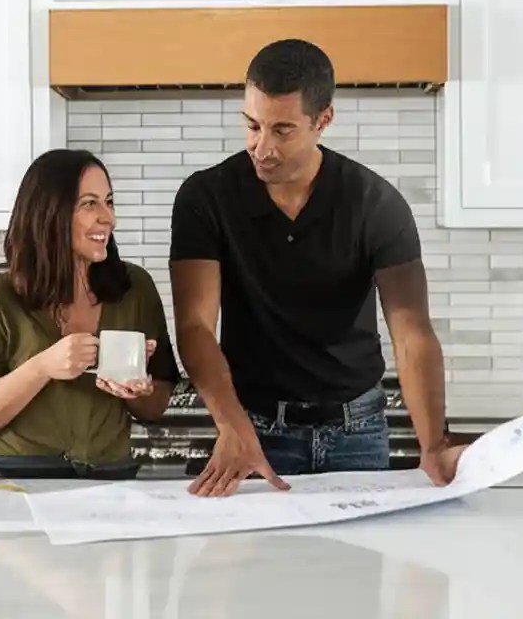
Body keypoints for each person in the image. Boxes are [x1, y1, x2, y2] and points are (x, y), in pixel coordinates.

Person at [169, 38, 465, 497]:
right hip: (253, 430)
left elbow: (412, 334)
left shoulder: (375, 203)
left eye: (282, 130)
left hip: (358, 432)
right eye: (252, 125)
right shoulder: (206, 198)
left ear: (323, 120)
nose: (262, 147)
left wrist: (433, 444)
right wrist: (231, 424)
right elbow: (194, 327)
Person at [0, 149, 180, 478]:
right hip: (15, 477)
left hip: (109, 475)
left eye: (109, 202)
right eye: (90, 204)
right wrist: (43, 366)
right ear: (50, 213)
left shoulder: (135, 288)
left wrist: (137, 391)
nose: (108, 218)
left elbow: (156, 405)